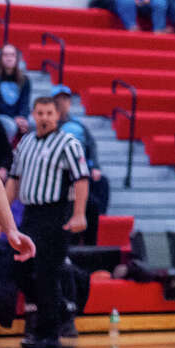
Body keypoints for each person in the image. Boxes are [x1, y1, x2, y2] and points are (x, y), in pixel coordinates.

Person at [7, 97, 89, 348]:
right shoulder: (26, 143)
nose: (44, 117)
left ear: (57, 115)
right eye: (40, 112)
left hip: (56, 215)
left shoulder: (69, 143)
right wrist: (3, 218)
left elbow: (82, 179)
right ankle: (61, 308)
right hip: (30, 215)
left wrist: (79, 214)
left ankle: (48, 334)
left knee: (46, 273)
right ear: (33, 114)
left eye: (49, 113)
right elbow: (13, 181)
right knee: (18, 269)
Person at [53, 87, 109, 246]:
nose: (62, 103)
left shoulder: (78, 125)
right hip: (64, 176)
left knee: (100, 186)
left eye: (65, 100)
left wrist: (95, 166)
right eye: (59, 100)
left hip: (82, 173)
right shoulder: (50, 125)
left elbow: (91, 145)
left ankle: (92, 245)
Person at [0, 44, 31, 142]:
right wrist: (14, 118)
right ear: (0, 58)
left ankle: (29, 154)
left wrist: (23, 117)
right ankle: (5, 155)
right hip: (1, 115)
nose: (9, 58)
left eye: (12, 55)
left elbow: (25, 102)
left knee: (34, 123)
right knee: (10, 126)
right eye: (6, 55)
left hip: (18, 116)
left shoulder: (25, 80)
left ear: (17, 59)